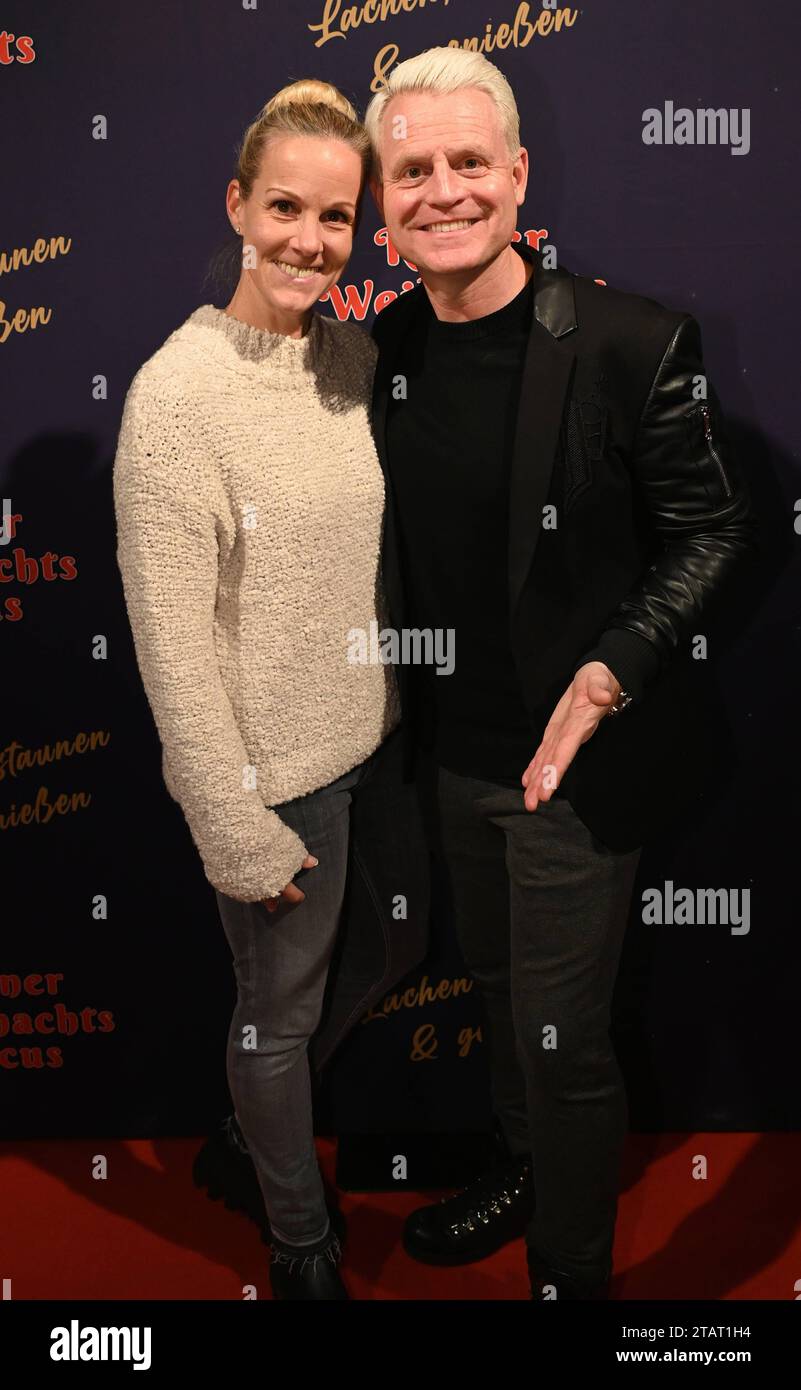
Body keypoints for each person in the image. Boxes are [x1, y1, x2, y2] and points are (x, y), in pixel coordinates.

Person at [362, 47, 758, 1300]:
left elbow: (714, 527)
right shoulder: (378, 352)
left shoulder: (630, 341)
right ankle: (529, 1167)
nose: (443, 192)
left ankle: (569, 1275)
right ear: (381, 202)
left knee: (563, 1037)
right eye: (412, 172)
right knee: (495, 992)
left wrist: (609, 672)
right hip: (446, 757)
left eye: (469, 162)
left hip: (572, 766)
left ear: (520, 173)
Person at [112, 79, 430, 1301]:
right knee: (277, 1017)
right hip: (270, 780)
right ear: (238, 205)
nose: (308, 238)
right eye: (284, 207)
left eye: (335, 216)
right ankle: (298, 1240)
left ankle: (251, 1132)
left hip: (371, 741)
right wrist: (228, 816)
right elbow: (170, 639)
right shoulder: (176, 396)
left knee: (396, 942)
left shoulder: (350, 358)